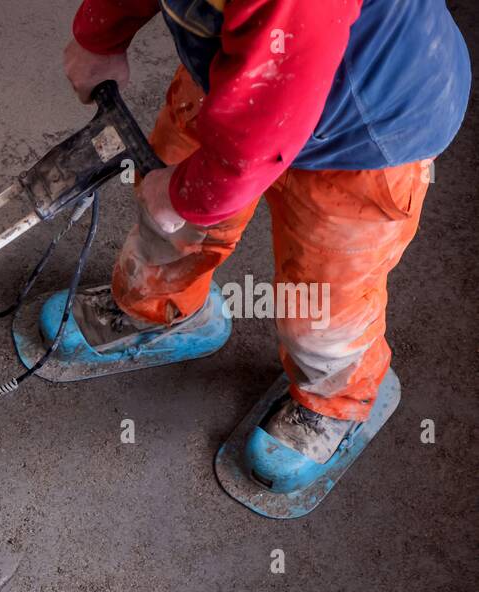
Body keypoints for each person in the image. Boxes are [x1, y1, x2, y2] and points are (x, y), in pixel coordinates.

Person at [56, 0, 469, 495]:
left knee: (321, 305)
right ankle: (161, 309)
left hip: (364, 134)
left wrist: (187, 193)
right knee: (167, 208)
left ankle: (331, 402)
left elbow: (273, 120)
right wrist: (100, 34)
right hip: (235, 81)